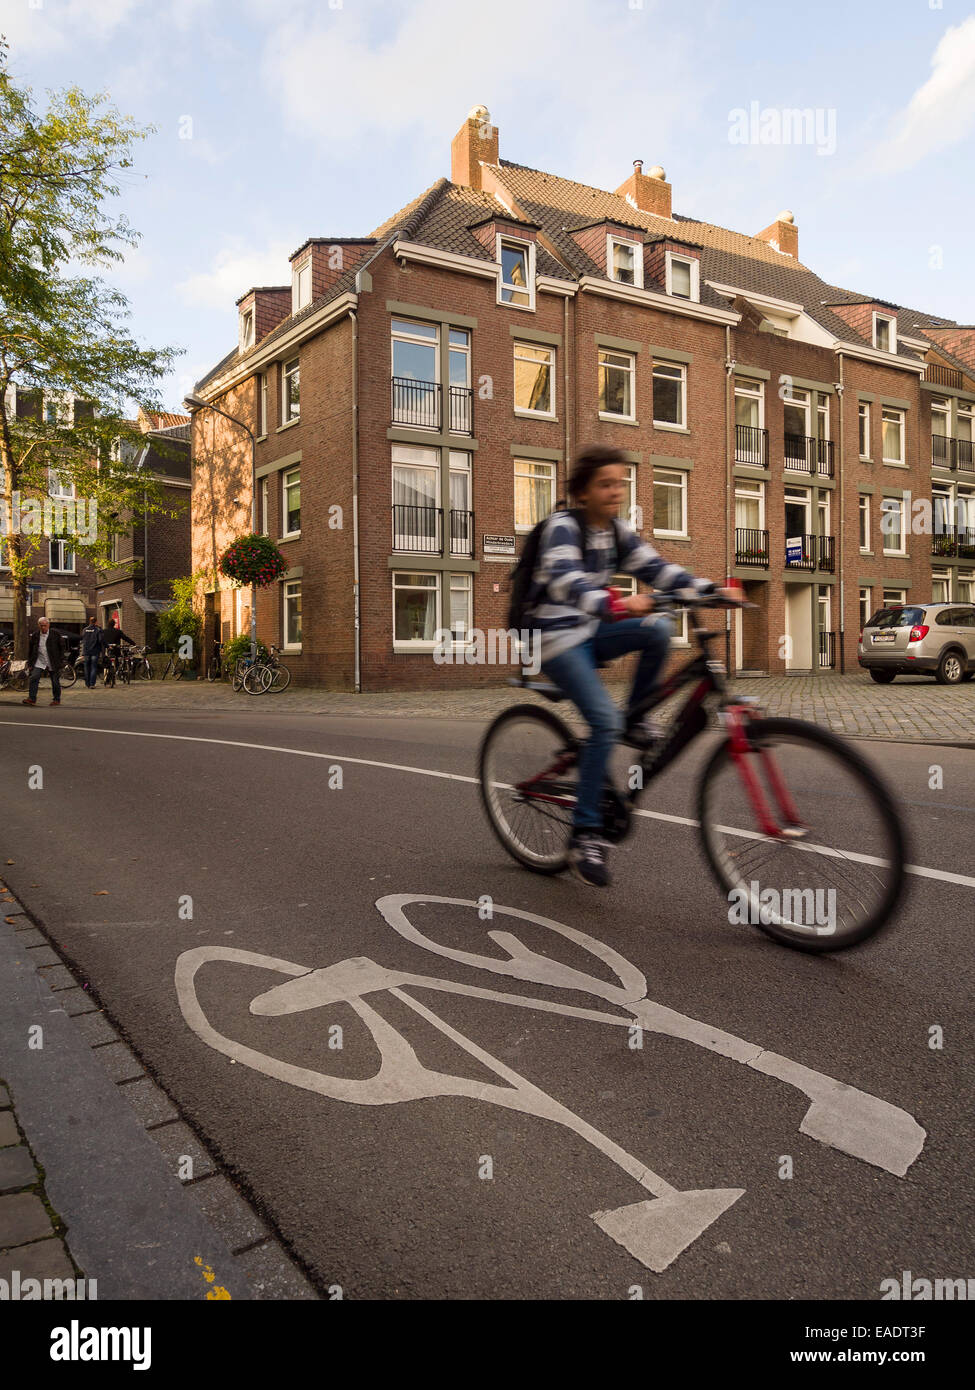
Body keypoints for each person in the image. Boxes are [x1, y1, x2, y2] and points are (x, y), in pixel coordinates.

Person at [526, 444, 737, 888]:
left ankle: (636, 717)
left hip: (591, 630)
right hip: (555, 638)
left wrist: (710, 589)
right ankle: (586, 833)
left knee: (658, 630)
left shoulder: (617, 532)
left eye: (620, 482)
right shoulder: (562, 529)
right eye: (606, 483)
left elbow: (659, 569)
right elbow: (568, 582)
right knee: (602, 722)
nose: (616, 491)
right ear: (583, 492)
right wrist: (619, 601)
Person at [22, 617, 66, 707]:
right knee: (34, 677)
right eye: (41, 626)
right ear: (38, 626)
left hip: (53, 660)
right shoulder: (35, 635)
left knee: (55, 681)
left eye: (45, 626)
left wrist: (62, 659)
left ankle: (56, 699)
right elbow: (31, 649)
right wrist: (30, 663)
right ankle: (32, 698)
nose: (43, 628)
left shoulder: (55, 634)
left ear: (48, 625)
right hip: (39, 660)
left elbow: (62, 646)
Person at [101, 615, 135, 687]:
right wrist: (133, 643)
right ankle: (115, 672)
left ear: (107, 624)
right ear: (114, 624)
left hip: (106, 650)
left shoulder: (103, 631)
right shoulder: (118, 631)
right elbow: (125, 638)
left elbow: (100, 640)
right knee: (116, 662)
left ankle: (106, 678)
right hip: (115, 650)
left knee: (106, 663)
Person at [80, 616, 104, 688]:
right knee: (93, 667)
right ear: (96, 622)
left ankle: (87, 684)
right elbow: (100, 640)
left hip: (86, 651)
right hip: (95, 651)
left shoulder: (84, 629)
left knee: (86, 667)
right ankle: (92, 684)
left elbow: (83, 640)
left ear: (89, 621)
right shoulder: (98, 630)